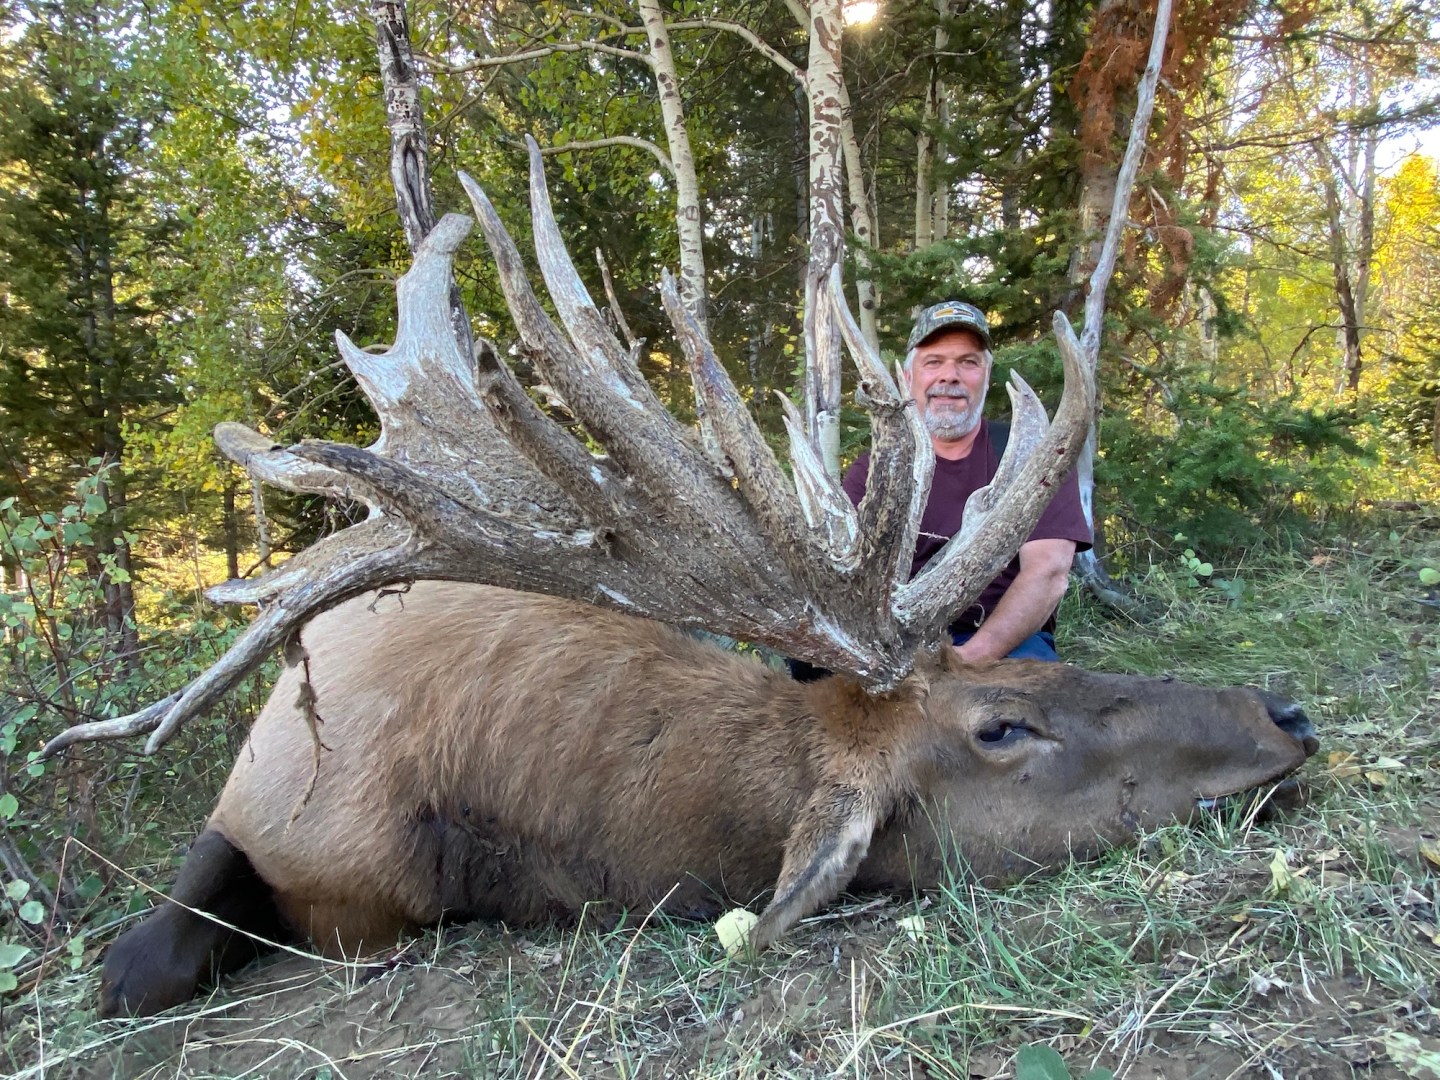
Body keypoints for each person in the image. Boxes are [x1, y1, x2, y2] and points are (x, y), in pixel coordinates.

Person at [789, 301, 1091, 679]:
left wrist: (967, 661)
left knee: (1021, 723)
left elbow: (1048, 572)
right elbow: (836, 568)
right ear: (908, 375)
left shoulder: (1033, 459)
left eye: (968, 362)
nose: (950, 375)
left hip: (996, 641)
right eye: (934, 362)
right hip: (892, 643)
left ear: (986, 374)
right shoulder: (878, 466)